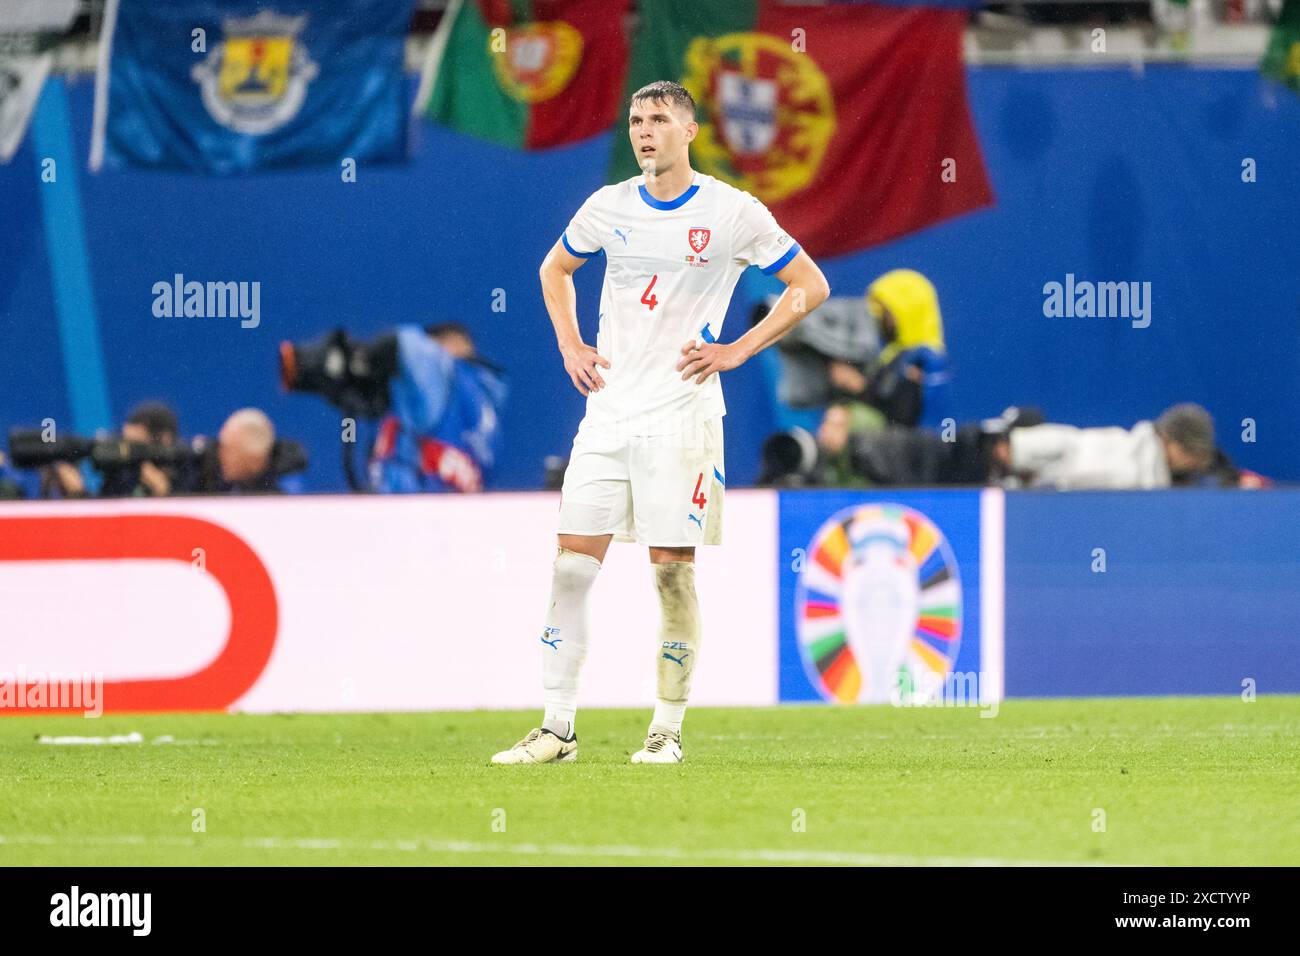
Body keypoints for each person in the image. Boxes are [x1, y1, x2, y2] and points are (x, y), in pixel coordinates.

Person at [492, 80, 829, 765]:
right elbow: (554, 269)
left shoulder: (733, 212)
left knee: (671, 576)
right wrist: (569, 344)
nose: (644, 131)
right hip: (608, 415)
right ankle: (557, 729)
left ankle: (666, 731)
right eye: (637, 119)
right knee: (571, 571)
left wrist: (737, 349)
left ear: (689, 131)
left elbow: (810, 286)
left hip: (682, 420)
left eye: (658, 120)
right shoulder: (608, 207)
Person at [996, 402, 1217, 490]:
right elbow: (1069, 446)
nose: (1193, 461)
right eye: (1190, 451)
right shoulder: (1124, 461)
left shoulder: (1173, 481)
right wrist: (1020, 449)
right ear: (1169, 438)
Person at [858, 269, 953, 430]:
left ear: (906, 311)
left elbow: (903, 415)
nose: (878, 319)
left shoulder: (926, 360)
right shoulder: (893, 356)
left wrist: (858, 386)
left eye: (885, 312)